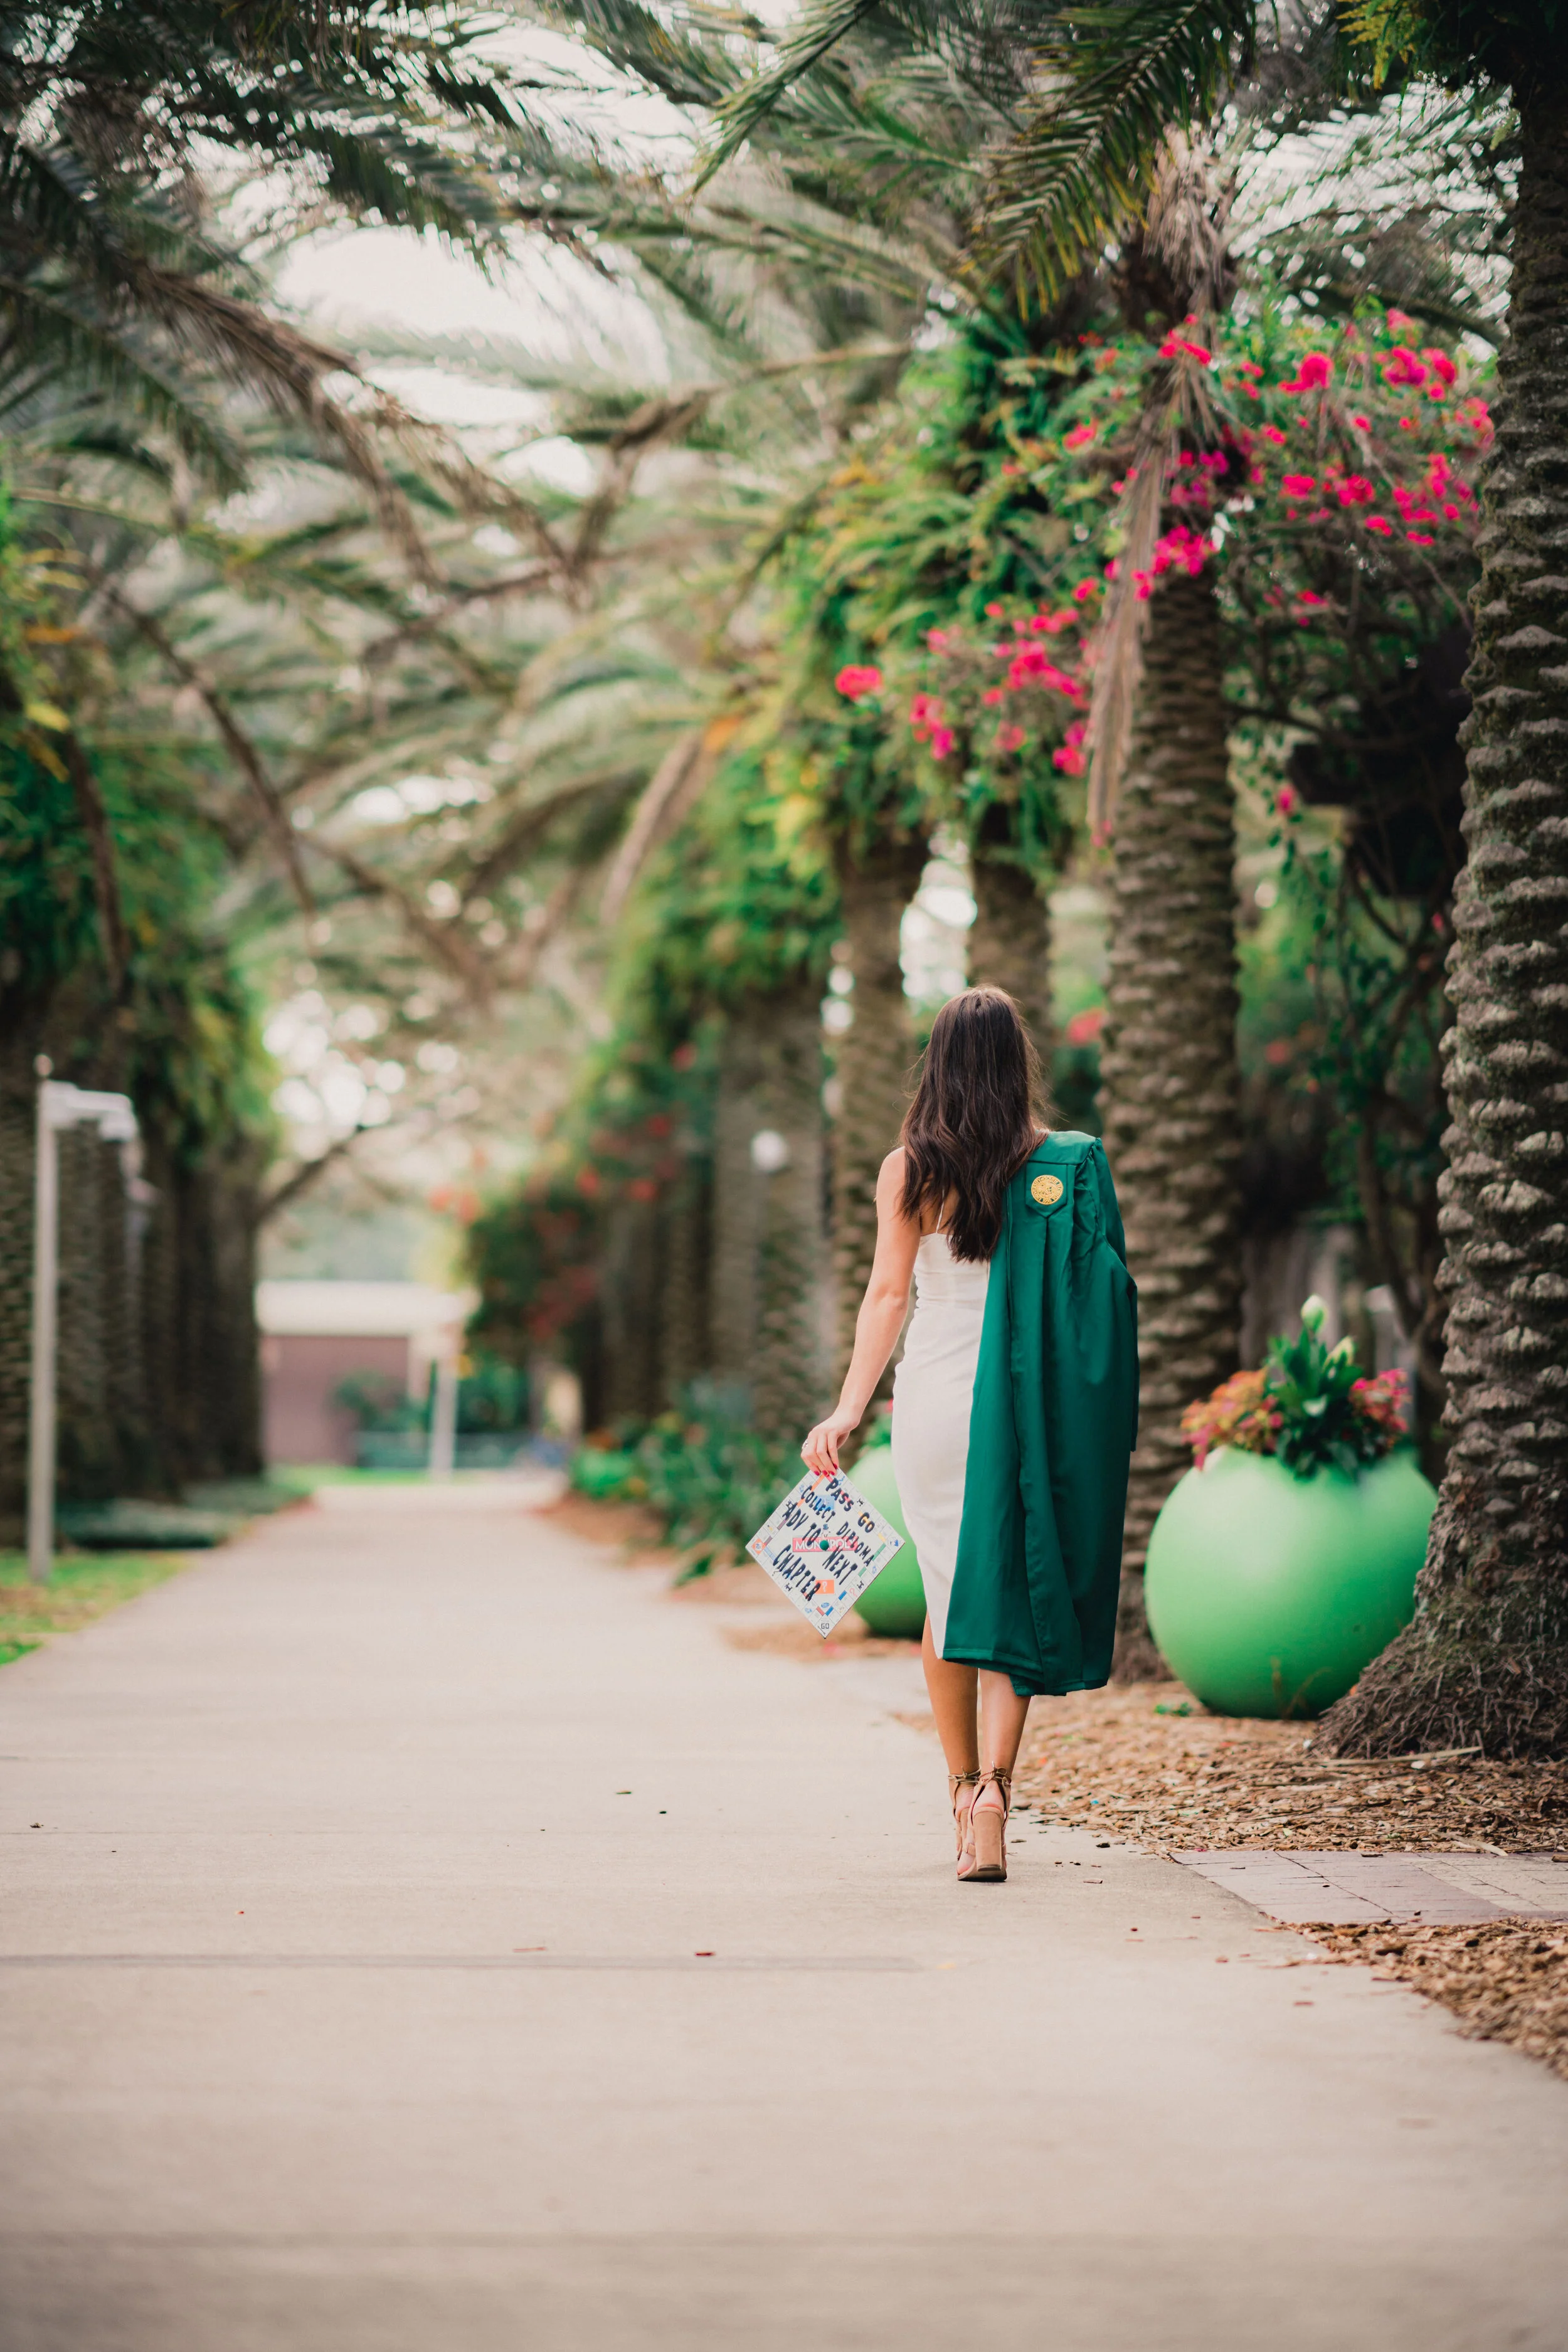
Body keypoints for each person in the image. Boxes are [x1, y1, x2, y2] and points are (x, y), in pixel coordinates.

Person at [802, 986, 1138, 1883]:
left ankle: (957, 1790)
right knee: (1008, 1602)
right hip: (1022, 1408)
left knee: (950, 1600)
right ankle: (996, 1788)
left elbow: (886, 1298)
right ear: (1015, 1061)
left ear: (938, 1064)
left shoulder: (909, 1170)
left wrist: (847, 1407)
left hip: (938, 1406)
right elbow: (1093, 1296)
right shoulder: (1056, 1167)